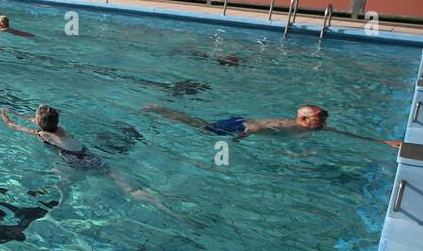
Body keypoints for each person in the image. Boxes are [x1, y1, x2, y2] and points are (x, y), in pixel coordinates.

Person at [0, 105, 172, 211]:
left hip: (75, 162)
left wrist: (3, 114)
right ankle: (160, 203)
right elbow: (37, 119)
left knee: (66, 181)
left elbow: (13, 126)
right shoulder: (60, 131)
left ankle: (60, 200)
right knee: (126, 187)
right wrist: (16, 112)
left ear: (38, 121)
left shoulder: (43, 134)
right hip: (90, 156)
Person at [145, 104, 402, 147]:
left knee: (198, 126)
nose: (324, 123)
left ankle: (160, 110)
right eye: (319, 120)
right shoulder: (288, 125)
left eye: (323, 120)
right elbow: (258, 128)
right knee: (196, 126)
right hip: (239, 125)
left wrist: (383, 142)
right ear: (303, 120)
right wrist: (241, 137)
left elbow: (344, 133)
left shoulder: (312, 128)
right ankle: (161, 111)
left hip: (244, 124)